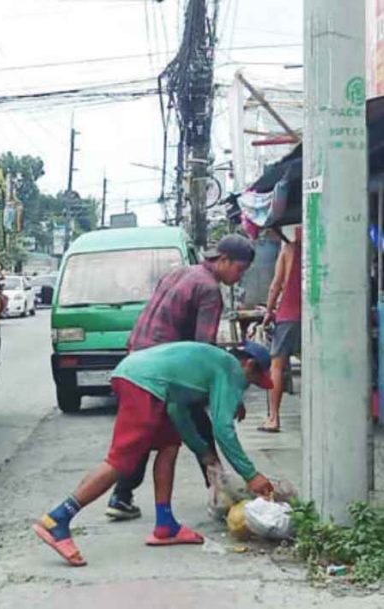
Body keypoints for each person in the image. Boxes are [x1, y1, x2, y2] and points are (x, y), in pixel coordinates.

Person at [33, 341, 276, 567]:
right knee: (120, 461)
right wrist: (250, 475)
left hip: (140, 376)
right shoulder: (230, 368)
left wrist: (203, 452)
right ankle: (58, 519)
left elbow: (177, 411)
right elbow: (223, 430)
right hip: (143, 382)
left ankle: (165, 525)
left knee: (169, 446)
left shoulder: (209, 366)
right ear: (249, 365)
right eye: (252, 382)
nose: (245, 388)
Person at [106, 234, 256, 520]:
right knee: (201, 427)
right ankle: (221, 493)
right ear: (223, 260)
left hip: (136, 361)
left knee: (148, 432)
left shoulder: (179, 273)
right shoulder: (209, 289)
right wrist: (225, 391)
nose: (239, 277)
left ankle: (122, 495)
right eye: (240, 269)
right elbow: (204, 351)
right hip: (162, 370)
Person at [260, 226, 302, 432]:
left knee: (276, 366)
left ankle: (274, 418)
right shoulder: (322, 250)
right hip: (313, 316)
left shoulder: (288, 250)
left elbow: (276, 284)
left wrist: (268, 311)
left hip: (288, 315)